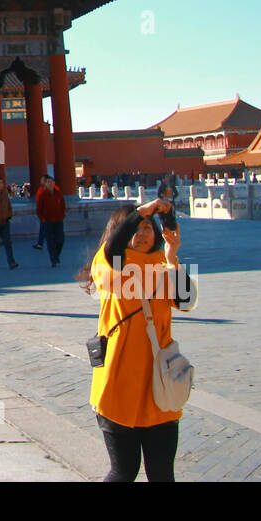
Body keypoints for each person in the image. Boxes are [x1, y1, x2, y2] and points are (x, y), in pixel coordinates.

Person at [84, 199, 196, 482]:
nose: (142, 233)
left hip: (159, 382)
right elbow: (113, 246)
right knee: (124, 472)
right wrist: (142, 211)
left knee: (162, 474)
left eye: (147, 227)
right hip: (119, 384)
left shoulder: (161, 265)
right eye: (135, 227)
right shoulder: (112, 264)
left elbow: (186, 301)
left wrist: (172, 256)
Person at [36, 175, 66, 266]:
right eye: (48, 182)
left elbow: (63, 206)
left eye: (51, 182)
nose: (50, 184)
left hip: (58, 220)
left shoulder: (59, 194)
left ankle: (56, 255)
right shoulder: (42, 195)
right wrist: (43, 219)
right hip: (47, 221)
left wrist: (62, 215)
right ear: (45, 184)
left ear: (54, 183)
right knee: (50, 241)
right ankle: (53, 260)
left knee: (60, 240)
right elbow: (39, 209)